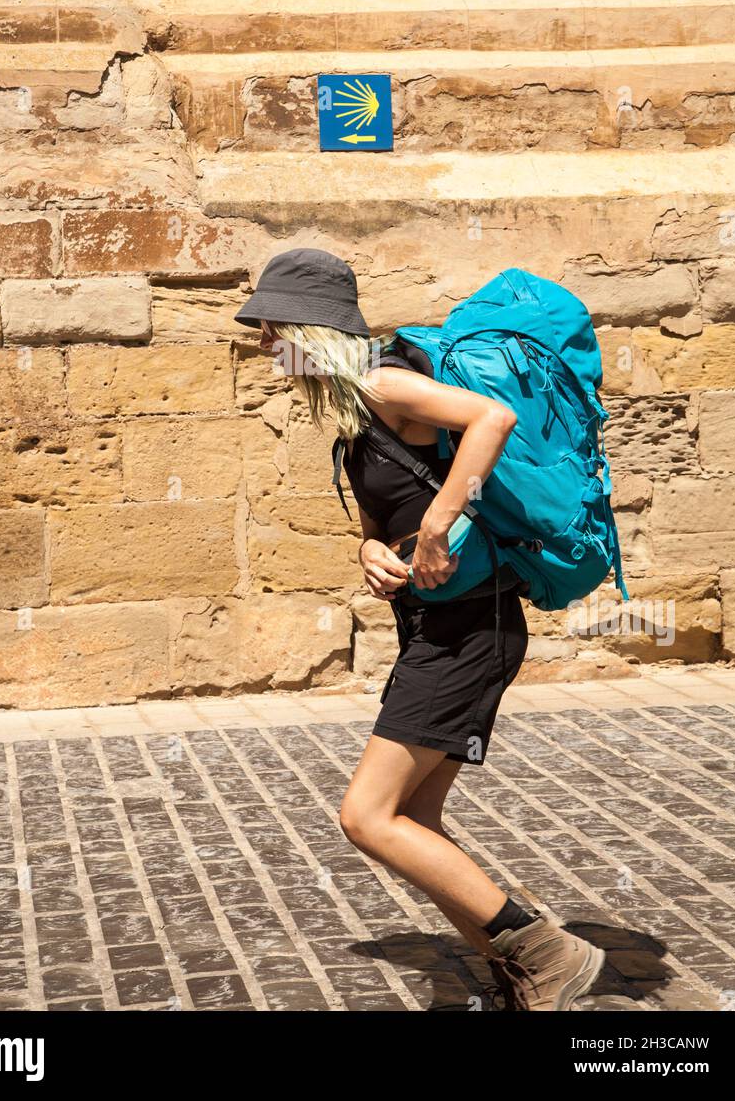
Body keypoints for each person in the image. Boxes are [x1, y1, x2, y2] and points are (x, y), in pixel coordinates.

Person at [234, 247, 605, 1012]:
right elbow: (379, 522)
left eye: (272, 327)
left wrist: (443, 522)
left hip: (470, 630)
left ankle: (550, 954)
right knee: (415, 818)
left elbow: (490, 418)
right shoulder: (349, 412)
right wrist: (370, 549)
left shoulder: (382, 379)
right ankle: (522, 973)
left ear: (311, 326)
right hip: (438, 629)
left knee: (366, 816)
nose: (265, 342)